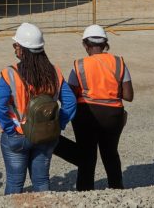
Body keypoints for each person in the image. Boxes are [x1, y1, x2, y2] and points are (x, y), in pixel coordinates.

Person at [0, 22, 76, 194]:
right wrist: (58, 124)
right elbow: (71, 102)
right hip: (46, 135)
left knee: (15, 183)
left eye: (16, 45)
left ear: (22, 48)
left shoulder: (11, 74)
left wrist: (10, 128)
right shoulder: (54, 72)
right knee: (41, 181)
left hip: (18, 135)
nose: (14, 49)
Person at [54, 24, 134, 190]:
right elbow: (129, 96)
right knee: (110, 153)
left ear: (85, 44)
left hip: (85, 115)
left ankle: (85, 191)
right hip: (113, 116)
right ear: (105, 44)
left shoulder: (79, 65)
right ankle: (117, 189)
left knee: (87, 156)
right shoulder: (119, 62)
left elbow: (71, 95)